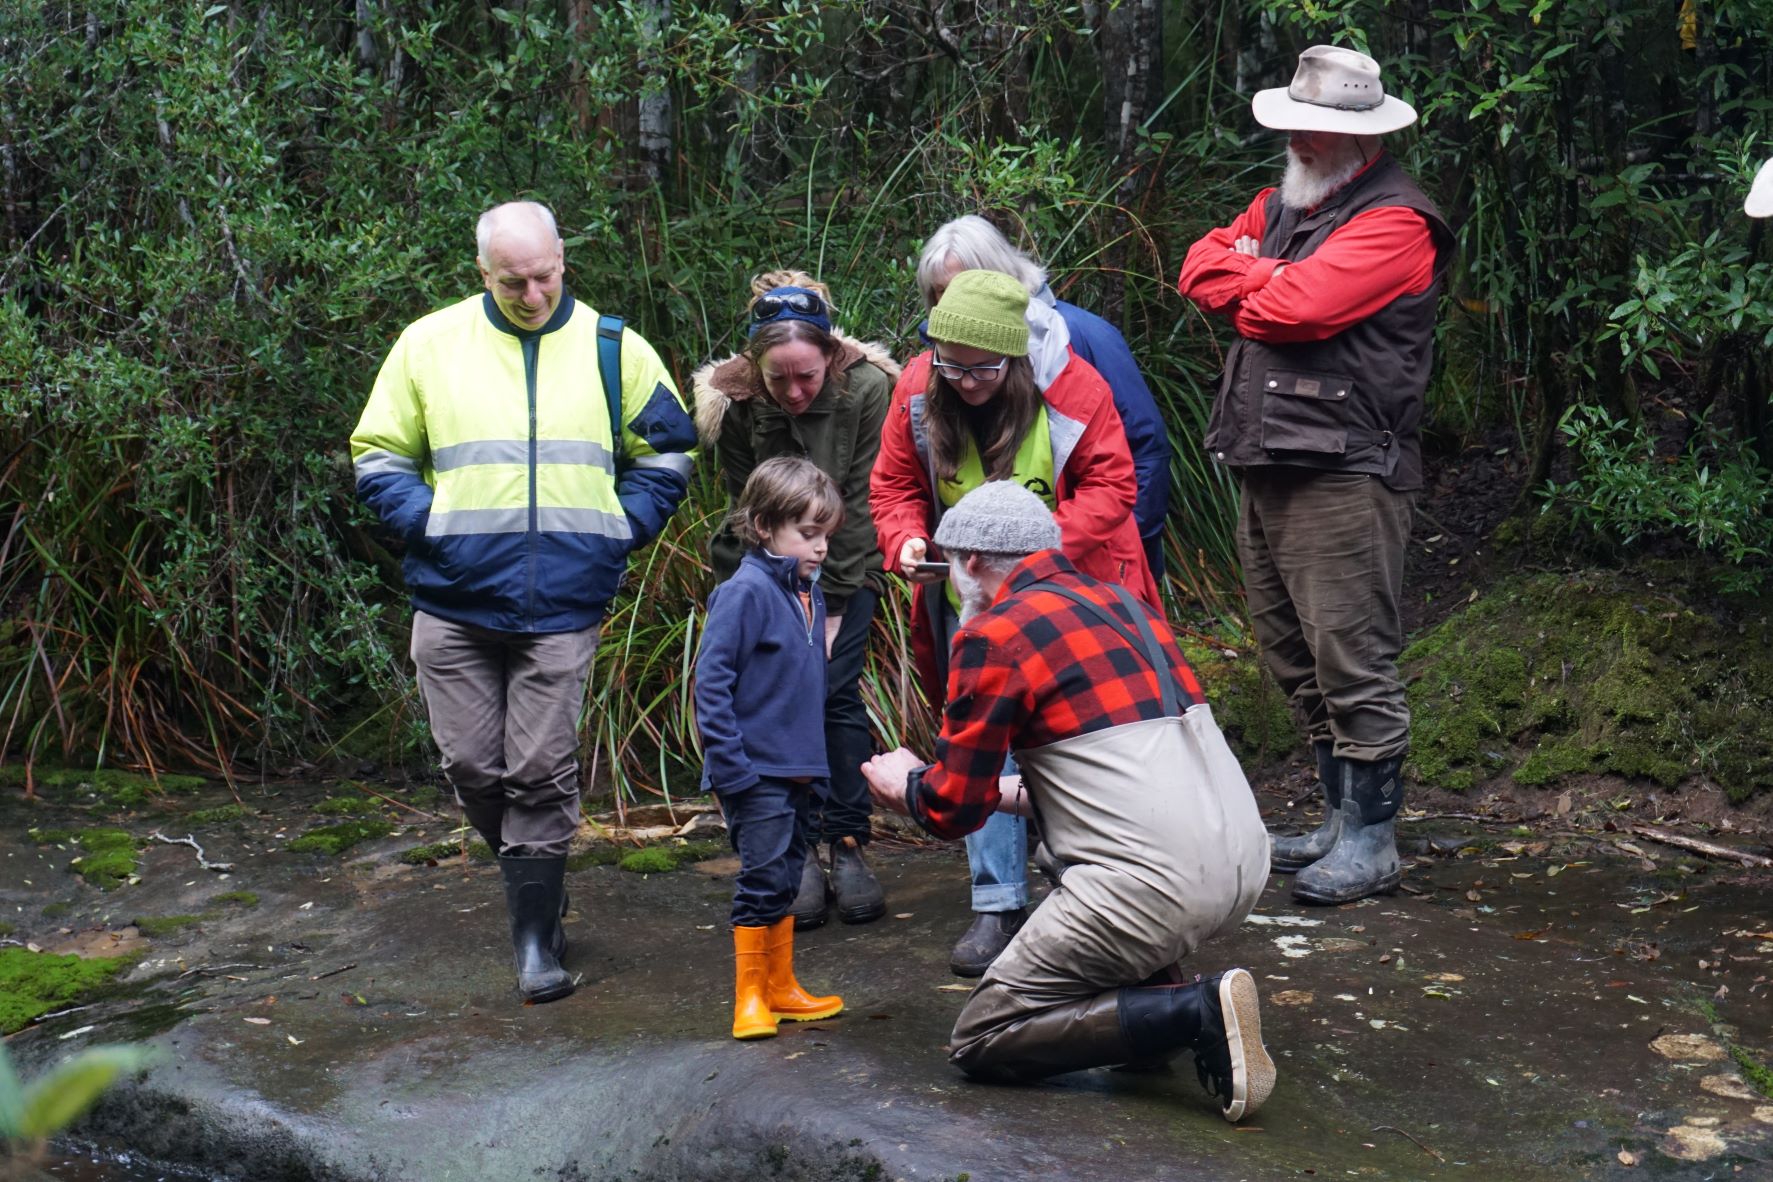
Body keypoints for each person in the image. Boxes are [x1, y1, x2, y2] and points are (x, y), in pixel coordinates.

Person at [351, 200, 697, 1003]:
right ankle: (536, 878)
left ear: (562, 262)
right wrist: (427, 524)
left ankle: (535, 939)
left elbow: (670, 449)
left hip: (564, 599)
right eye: (512, 281)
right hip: (453, 594)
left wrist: (621, 527)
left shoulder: (615, 348)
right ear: (483, 273)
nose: (532, 294)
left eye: (543, 276)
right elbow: (377, 454)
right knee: (471, 764)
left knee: (539, 769)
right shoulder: (429, 344)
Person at [861, 481, 1273, 1122]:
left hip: (1152, 889)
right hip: (1240, 861)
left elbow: (950, 811)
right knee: (1089, 862)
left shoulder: (996, 635)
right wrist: (997, 795)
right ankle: (1156, 998)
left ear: (969, 563)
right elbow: (1111, 783)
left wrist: (907, 783)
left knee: (981, 1039)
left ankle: (1195, 1009)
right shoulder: (1125, 605)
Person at [1176, 45, 1455, 906]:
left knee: (1350, 655)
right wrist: (1270, 273)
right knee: (1291, 654)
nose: (1298, 138)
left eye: (1316, 128)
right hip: (1268, 456)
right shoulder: (1279, 200)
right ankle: (1339, 820)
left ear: (1359, 137)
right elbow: (1196, 269)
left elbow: (1295, 312)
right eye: (1294, 124)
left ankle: (1372, 841)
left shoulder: (1397, 220)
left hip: (1345, 469)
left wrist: (1264, 279)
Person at [870, 268, 1159, 977]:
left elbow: (1114, 484)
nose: (965, 381)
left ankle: (1081, 889)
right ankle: (995, 902)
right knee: (978, 737)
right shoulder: (915, 391)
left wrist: (1035, 552)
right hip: (962, 600)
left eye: (983, 370)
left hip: (1064, 600)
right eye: (952, 366)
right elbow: (892, 487)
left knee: (1070, 744)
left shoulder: (1072, 391)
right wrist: (904, 538)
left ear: (1015, 361)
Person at [692, 271, 898, 930]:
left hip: (844, 567)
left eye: (806, 376)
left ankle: (845, 840)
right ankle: (795, 847)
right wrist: (765, 588)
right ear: (755, 368)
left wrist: (830, 602)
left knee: (834, 696)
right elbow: (742, 502)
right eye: (778, 379)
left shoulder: (866, 388)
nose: (794, 391)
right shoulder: (735, 402)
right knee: (776, 702)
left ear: (829, 357)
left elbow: (866, 497)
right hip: (764, 576)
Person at [916, 214, 1173, 575]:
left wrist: (1128, 553)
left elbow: (1144, 449)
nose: (953, 302)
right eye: (938, 292)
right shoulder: (935, 362)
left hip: (1091, 561)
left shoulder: (1079, 337)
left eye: (964, 284)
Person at [694, 457, 848, 1040]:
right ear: (764, 525)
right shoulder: (745, 592)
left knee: (786, 876)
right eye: (807, 534)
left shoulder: (806, 592)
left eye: (826, 536)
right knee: (762, 878)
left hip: (801, 769)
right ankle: (749, 998)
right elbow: (711, 683)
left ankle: (781, 987)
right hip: (755, 771)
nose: (820, 548)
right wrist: (730, 768)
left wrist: (820, 769)